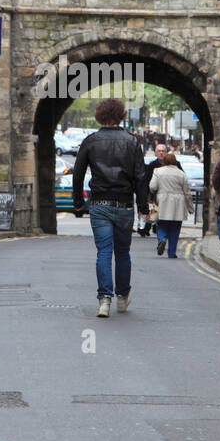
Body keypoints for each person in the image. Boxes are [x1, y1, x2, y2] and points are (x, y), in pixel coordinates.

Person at [72, 98, 149, 318]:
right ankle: (123, 296)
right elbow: (140, 177)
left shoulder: (91, 141)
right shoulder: (132, 142)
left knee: (103, 252)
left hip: (99, 204)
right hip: (124, 203)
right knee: (123, 252)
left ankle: (104, 300)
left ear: (99, 115)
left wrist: (78, 201)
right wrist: (143, 205)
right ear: (121, 115)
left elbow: (77, 174)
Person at [149, 152, 193, 259]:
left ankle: (162, 239)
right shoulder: (181, 174)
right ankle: (172, 253)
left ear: (164, 161)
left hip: (163, 201)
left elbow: (152, 186)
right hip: (178, 203)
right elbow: (187, 192)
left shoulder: (158, 171)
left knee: (161, 224)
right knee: (175, 228)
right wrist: (190, 207)